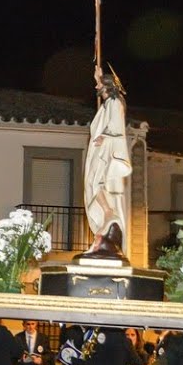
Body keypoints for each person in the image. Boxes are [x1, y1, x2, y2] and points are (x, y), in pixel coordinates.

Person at [81, 65, 131, 260]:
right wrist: (98, 77)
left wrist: (106, 139)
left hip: (108, 154)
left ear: (108, 88)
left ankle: (110, 213)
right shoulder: (108, 103)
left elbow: (118, 130)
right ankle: (107, 215)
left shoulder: (115, 103)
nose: (97, 89)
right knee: (94, 186)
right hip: (100, 153)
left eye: (100, 86)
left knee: (99, 185)